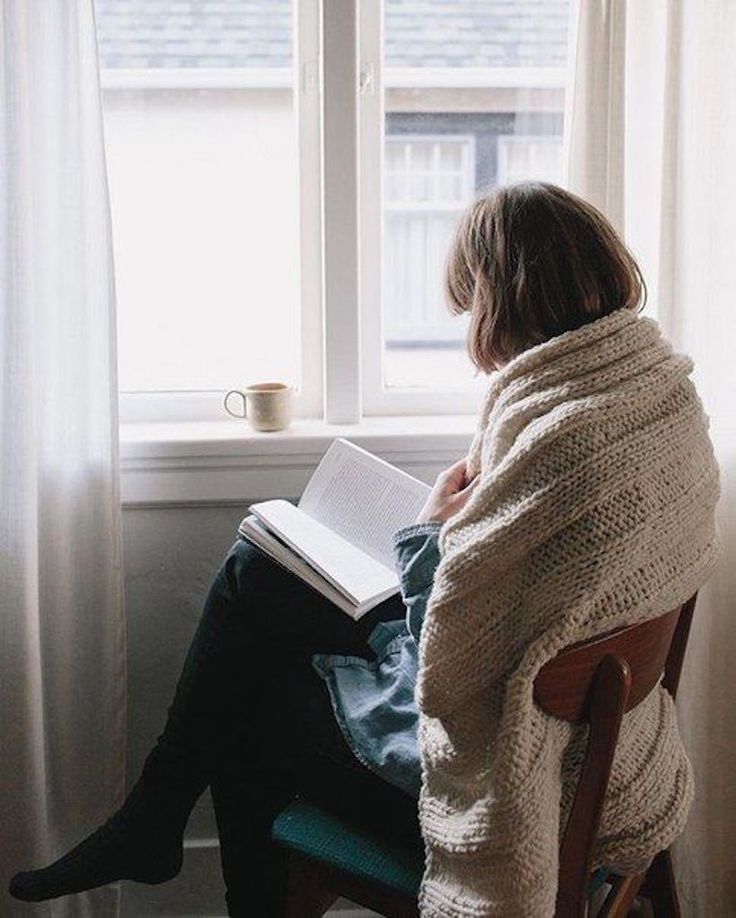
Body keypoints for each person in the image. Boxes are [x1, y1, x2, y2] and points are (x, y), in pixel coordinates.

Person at [9, 180, 713, 916]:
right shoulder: (652, 399)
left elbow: (455, 670)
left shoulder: (559, 442)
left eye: (471, 305)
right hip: (594, 744)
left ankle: (153, 824)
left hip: (531, 790)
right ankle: (150, 818)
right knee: (259, 567)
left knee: (252, 715)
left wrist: (432, 533)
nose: (472, 330)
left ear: (506, 300)